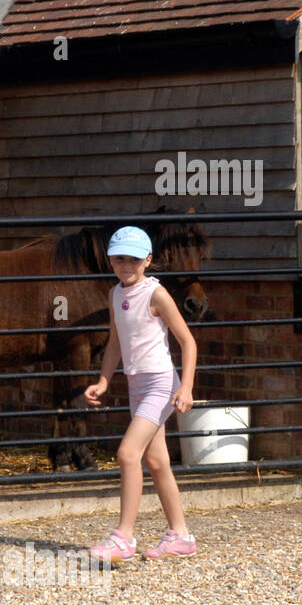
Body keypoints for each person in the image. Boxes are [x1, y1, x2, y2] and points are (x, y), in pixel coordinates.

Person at [83, 226, 198, 562]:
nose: (126, 265)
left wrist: (186, 386)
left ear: (148, 260)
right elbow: (115, 343)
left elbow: (188, 342)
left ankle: (123, 537)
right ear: (110, 260)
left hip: (162, 385)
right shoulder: (115, 294)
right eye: (119, 258)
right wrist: (104, 381)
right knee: (157, 461)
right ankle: (181, 536)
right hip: (137, 386)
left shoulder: (156, 294)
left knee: (127, 453)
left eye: (134, 259)